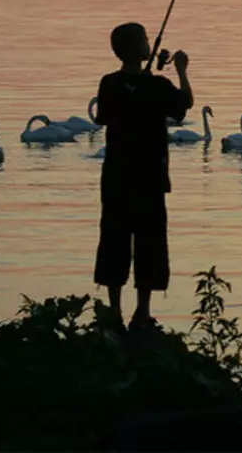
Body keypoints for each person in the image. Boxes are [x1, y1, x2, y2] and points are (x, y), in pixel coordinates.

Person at [93, 22, 193, 332]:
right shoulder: (159, 87)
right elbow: (184, 106)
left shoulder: (108, 83)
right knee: (149, 242)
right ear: (142, 48)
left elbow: (104, 117)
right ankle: (142, 312)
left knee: (114, 240)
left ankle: (113, 311)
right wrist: (181, 70)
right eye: (147, 39)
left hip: (116, 177)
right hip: (149, 178)